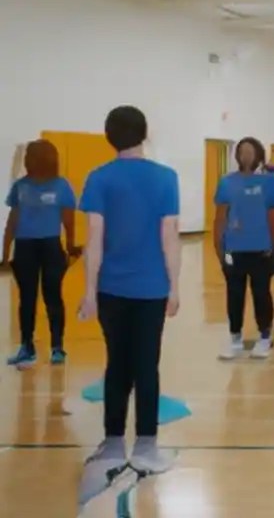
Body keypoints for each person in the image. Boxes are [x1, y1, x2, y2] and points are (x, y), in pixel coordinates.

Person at [75, 106, 182, 505]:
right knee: (145, 364)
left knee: (116, 363)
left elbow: (94, 239)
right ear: (144, 133)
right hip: (152, 288)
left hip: (111, 290)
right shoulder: (165, 177)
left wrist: (89, 291)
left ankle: (113, 442)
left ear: (108, 136)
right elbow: (169, 235)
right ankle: (146, 445)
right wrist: (174, 287)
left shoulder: (99, 178)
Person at [3, 139, 78, 368]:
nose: (28, 160)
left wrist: (70, 247)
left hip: (51, 247)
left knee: (52, 296)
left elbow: (68, 220)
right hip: (25, 247)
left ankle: (57, 347)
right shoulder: (20, 186)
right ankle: (27, 347)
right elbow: (13, 221)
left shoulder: (61, 186)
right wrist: (5, 252)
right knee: (27, 298)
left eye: (32, 156)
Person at [214, 138, 274, 360]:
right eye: (242, 151)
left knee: (261, 293)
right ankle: (235, 338)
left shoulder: (269, 183)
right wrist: (220, 249)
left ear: (258, 155)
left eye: (250, 151)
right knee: (234, 293)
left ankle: (264, 337)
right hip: (233, 249)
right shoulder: (227, 183)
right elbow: (220, 218)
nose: (246, 155)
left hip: (261, 248)